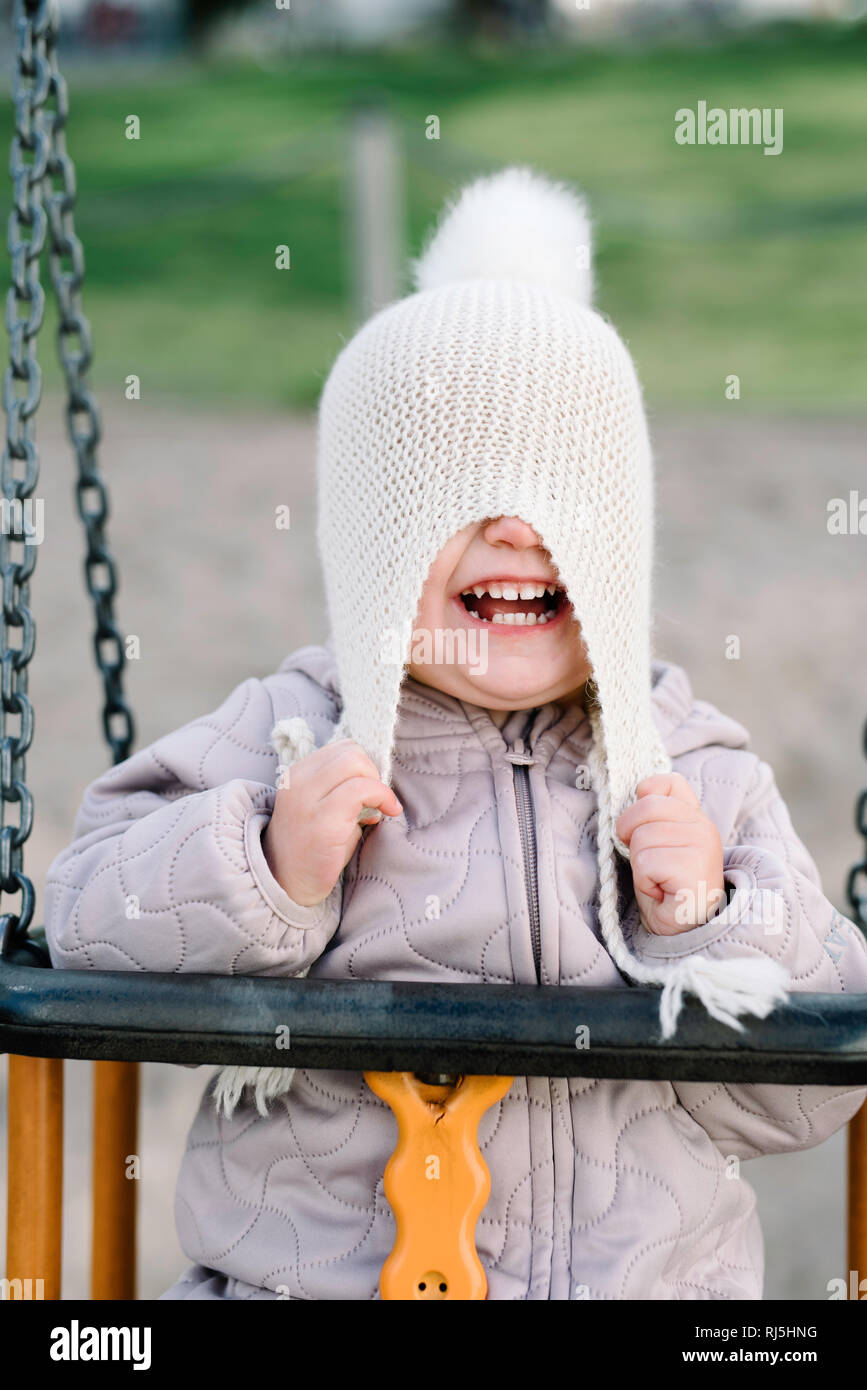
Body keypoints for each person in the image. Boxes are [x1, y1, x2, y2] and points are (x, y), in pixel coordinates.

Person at [44, 167, 867, 1301]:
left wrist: (704, 925)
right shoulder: (291, 735)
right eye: (461, 491)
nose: (521, 526)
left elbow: (815, 1093)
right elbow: (84, 918)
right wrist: (266, 870)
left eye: (562, 491)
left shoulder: (698, 772)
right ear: (376, 535)